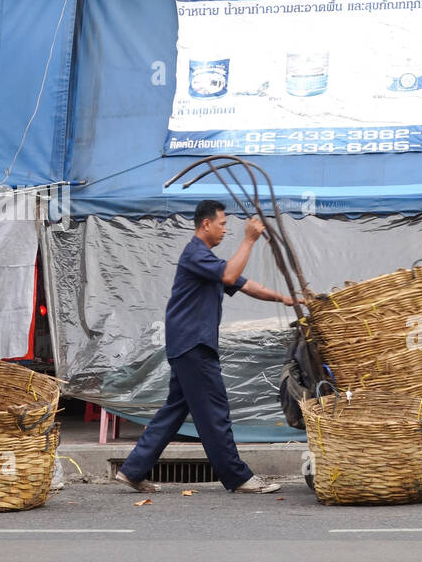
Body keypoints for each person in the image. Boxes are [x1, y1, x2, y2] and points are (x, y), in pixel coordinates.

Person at [117, 199, 299, 494]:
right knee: (215, 412)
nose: (225, 230)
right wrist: (249, 239)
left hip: (187, 345)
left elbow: (245, 284)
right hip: (194, 345)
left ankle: (133, 470)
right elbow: (230, 274)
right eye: (222, 224)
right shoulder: (195, 253)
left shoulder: (207, 261)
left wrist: (286, 299)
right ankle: (238, 477)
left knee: (175, 409)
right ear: (206, 224)